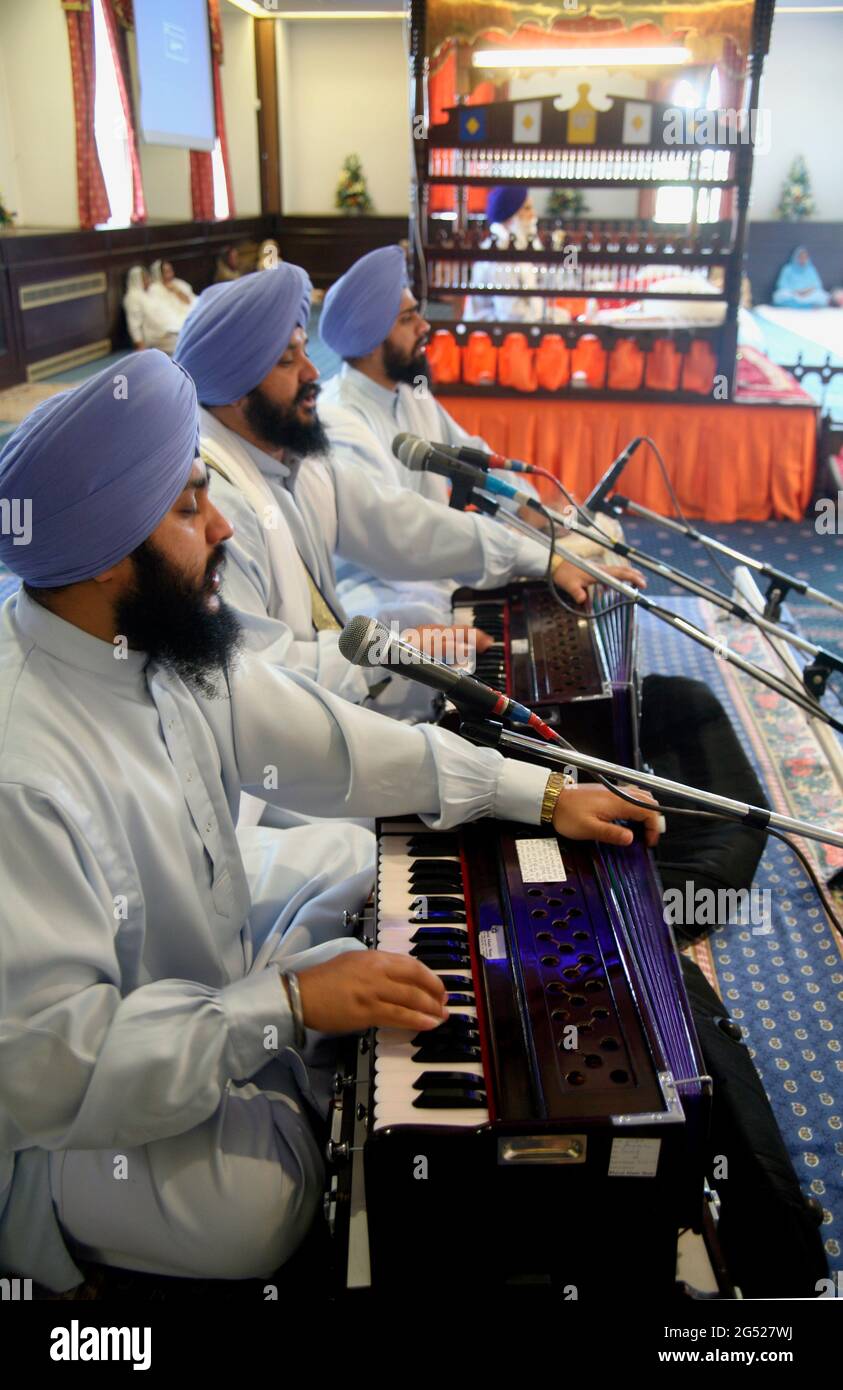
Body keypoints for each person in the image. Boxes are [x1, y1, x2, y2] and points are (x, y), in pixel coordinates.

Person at [0, 350, 660, 1290]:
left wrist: (537, 794)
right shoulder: (23, 773)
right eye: (190, 508)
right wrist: (290, 1005)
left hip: (203, 980)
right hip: (62, 1125)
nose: (222, 522)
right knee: (258, 1216)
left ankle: (291, 1062)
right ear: (107, 551)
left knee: (363, 862)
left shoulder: (143, 642)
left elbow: (335, 747)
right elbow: (53, 1067)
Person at [174, 264, 643, 722]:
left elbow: (404, 523)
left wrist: (540, 551)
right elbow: (258, 680)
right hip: (303, 744)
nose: (313, 372)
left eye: (304, 352)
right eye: (288, 360)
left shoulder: (295, 456)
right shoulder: (217, 504)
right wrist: (400, 649)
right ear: (237, 387)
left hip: (347, 664)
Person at [319, 244, 622, 625]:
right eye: (409, 318)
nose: (425, 327)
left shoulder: (411, 394)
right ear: (372, 337)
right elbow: (403, 531)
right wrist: (535, 556)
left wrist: (534, 513)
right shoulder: (339, 419)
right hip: (380, 595)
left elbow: (472, 456)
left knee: (600, 539)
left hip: (437, 571)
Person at [464, 186, 546, 324]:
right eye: (526, 209)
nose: (533, 215)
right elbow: (512, 317)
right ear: (509, 216)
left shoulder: (519, 246)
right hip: (491, 339)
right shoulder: (500, 253)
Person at [122, 265, 150, 349]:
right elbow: (134, 324)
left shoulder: (147, 293)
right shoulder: (132, 297)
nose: (148, 281)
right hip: (150, 336)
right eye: (145, 279)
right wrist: (140, 345)